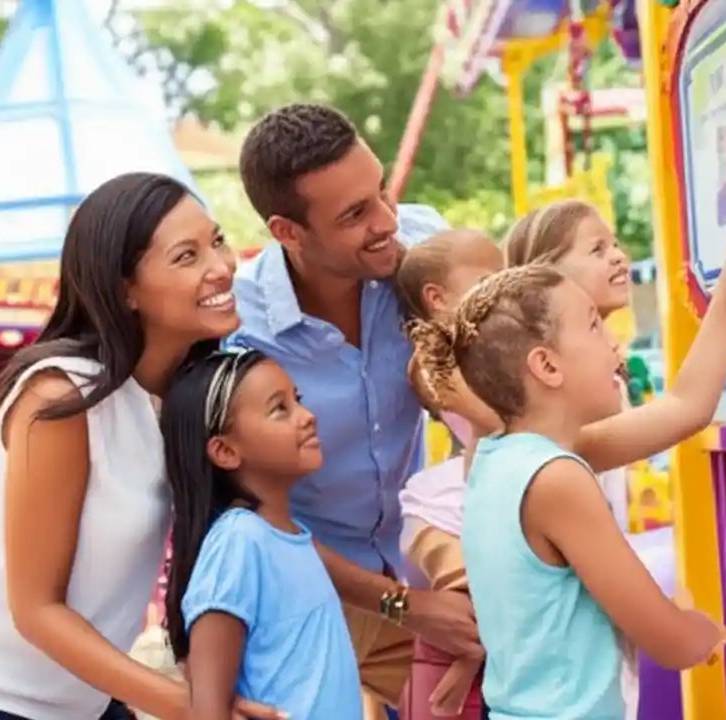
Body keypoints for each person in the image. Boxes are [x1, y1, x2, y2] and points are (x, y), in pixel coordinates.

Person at [0, 173, 281, 720]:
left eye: (217, 241)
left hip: (82, 700)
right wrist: (191, 706)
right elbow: (35, 610)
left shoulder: (190, 395)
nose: (220, 267)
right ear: (125, 288)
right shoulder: (59, 399)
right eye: (186, 256)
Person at [410, 195, 726, 718]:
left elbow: (687, 405)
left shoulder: (496, 457)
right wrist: (704, 632)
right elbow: (668, 639)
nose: (616, 348)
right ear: (546, 366)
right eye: (595, 328)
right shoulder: (556, 477)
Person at [228, 103, 481, 717]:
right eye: (355, 214)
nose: (387, 221)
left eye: (382, 191)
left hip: (418, 568)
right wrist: (399, 603)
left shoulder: (424, 254)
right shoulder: (240, 329)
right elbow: (242, 510)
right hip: (308, 592)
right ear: (288, 232)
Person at [159, 349, 363, 720]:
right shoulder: (238, 543)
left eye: (297, 400)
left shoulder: (291, 537)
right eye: (280, 409)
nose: (307, 416)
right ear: (224, 450)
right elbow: (209, 710)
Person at [393, 229, 505, 719]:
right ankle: (466, 651)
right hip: (463, 494)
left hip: (495, 486)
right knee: (452, 565)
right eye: (488, 281)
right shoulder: (432, 363)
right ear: (437, 299)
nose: (503, 291)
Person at [505, 200, 635, 530]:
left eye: (615, 245)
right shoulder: (561, 384)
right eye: (598, 250)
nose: (619, 256)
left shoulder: (608, 371)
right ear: (550, 276)